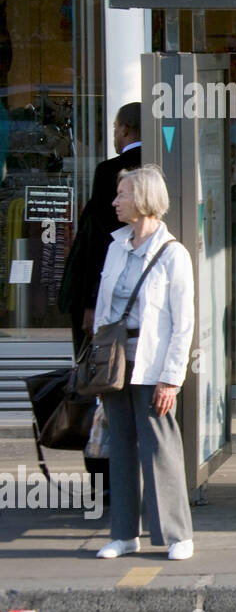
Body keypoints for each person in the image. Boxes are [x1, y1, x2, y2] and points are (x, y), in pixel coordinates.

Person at [93, 165, 196, 561]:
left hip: (151, 363)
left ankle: (177, 534)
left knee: (159, 446)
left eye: (122, 194)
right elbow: (106, 309)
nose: (115, 201)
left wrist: (171, 378)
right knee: (118, 446)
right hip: (115, 363)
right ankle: (123, 534)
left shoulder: (173, 255)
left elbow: (182, 323)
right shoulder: (116, 245)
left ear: (143, 200)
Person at [60, 101, 143, 500]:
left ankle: (103, 477)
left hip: (104, 301)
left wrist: (90, 302)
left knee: (98, 383)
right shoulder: (164, 164)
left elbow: (96, 243)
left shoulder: (111, 172)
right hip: (138, 309)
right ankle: (132, 476)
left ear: (124, 129)